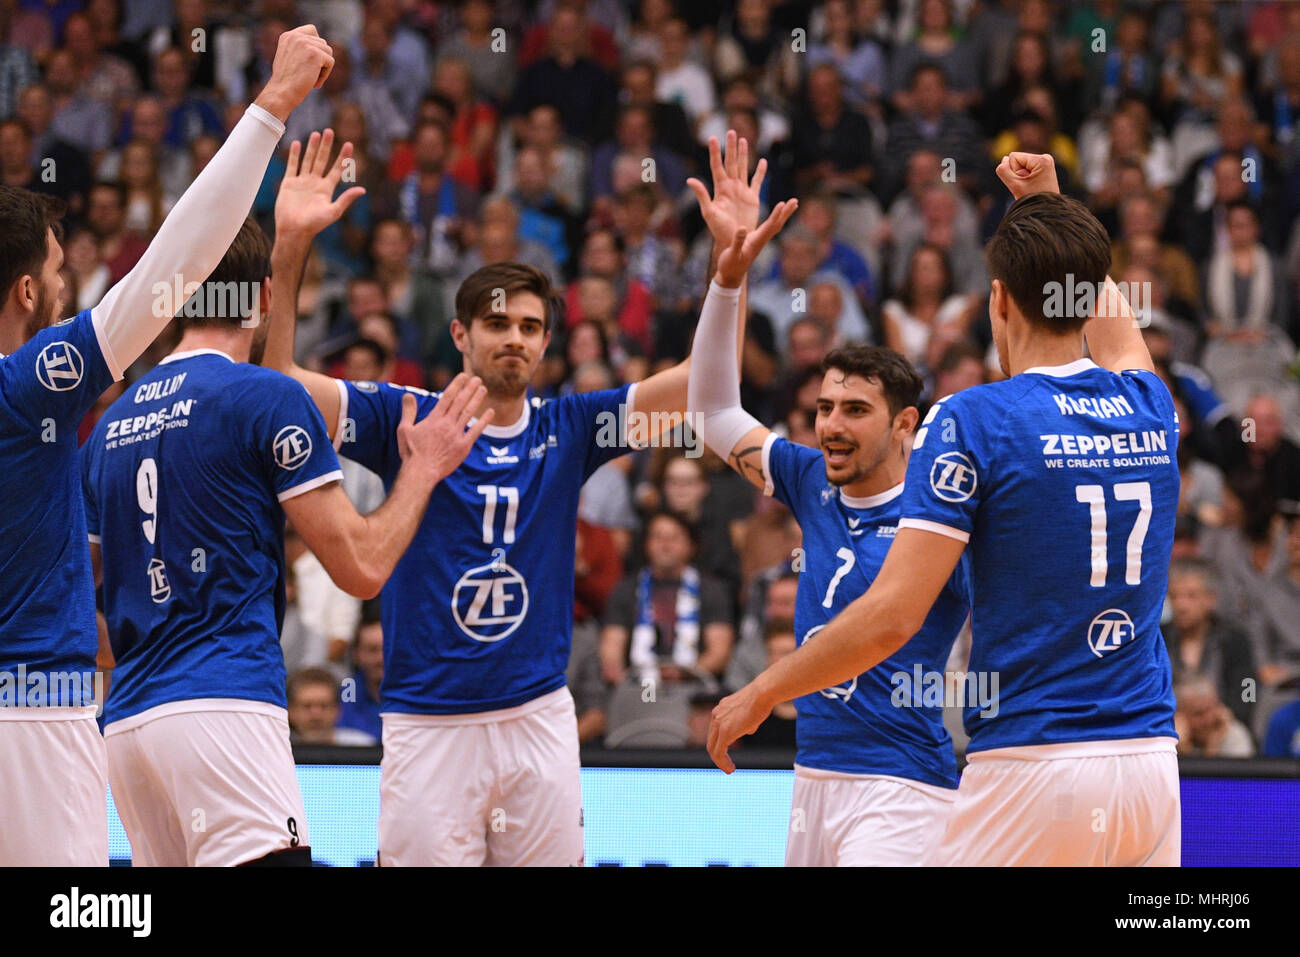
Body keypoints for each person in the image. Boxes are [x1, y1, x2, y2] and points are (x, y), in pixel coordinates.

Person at [260, 130, 796, 865]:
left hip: (537, 718)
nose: (515, 338)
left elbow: (709, 387)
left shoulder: (573, 425)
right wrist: (289, 244)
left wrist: (729, 267)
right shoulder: (404, 414)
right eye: (498, 324)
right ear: (461, 333)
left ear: (546, 342)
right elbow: (279, 387)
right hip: (428, 723)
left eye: (531, 327)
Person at [709, 152, 1182, 867]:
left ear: (997, 302)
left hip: (1033, 761)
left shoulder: (973, 418)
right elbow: (1102, 312)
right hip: (1149, 763)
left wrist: (760, 692)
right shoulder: (1151, 406)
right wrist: (1049, 207)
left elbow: (894, 614)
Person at [0, 24, 333, 868]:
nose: (69, 286)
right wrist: (270, 107)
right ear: (31, 289)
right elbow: (168, 271)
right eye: (61, 271)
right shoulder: (27, 383)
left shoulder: (89, 430)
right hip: (36, 710)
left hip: (111, 712)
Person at [82, 195, 491, 865]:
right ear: (264, 296)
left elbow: (79, 601)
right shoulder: (264, 397)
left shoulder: (108, 426)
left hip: (126, 725)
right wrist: (422, 467)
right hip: (224, 704)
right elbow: (361, 566)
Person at [688, 289, 973, 863]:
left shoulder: (942, 512)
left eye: (855, 411)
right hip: (813, 776)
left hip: (902, 785)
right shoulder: (810, 478)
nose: (832, 426)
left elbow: (900, 626)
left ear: (904, 423)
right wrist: (728, 279)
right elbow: (711, 413)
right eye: (825, 408)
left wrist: (761, 691)